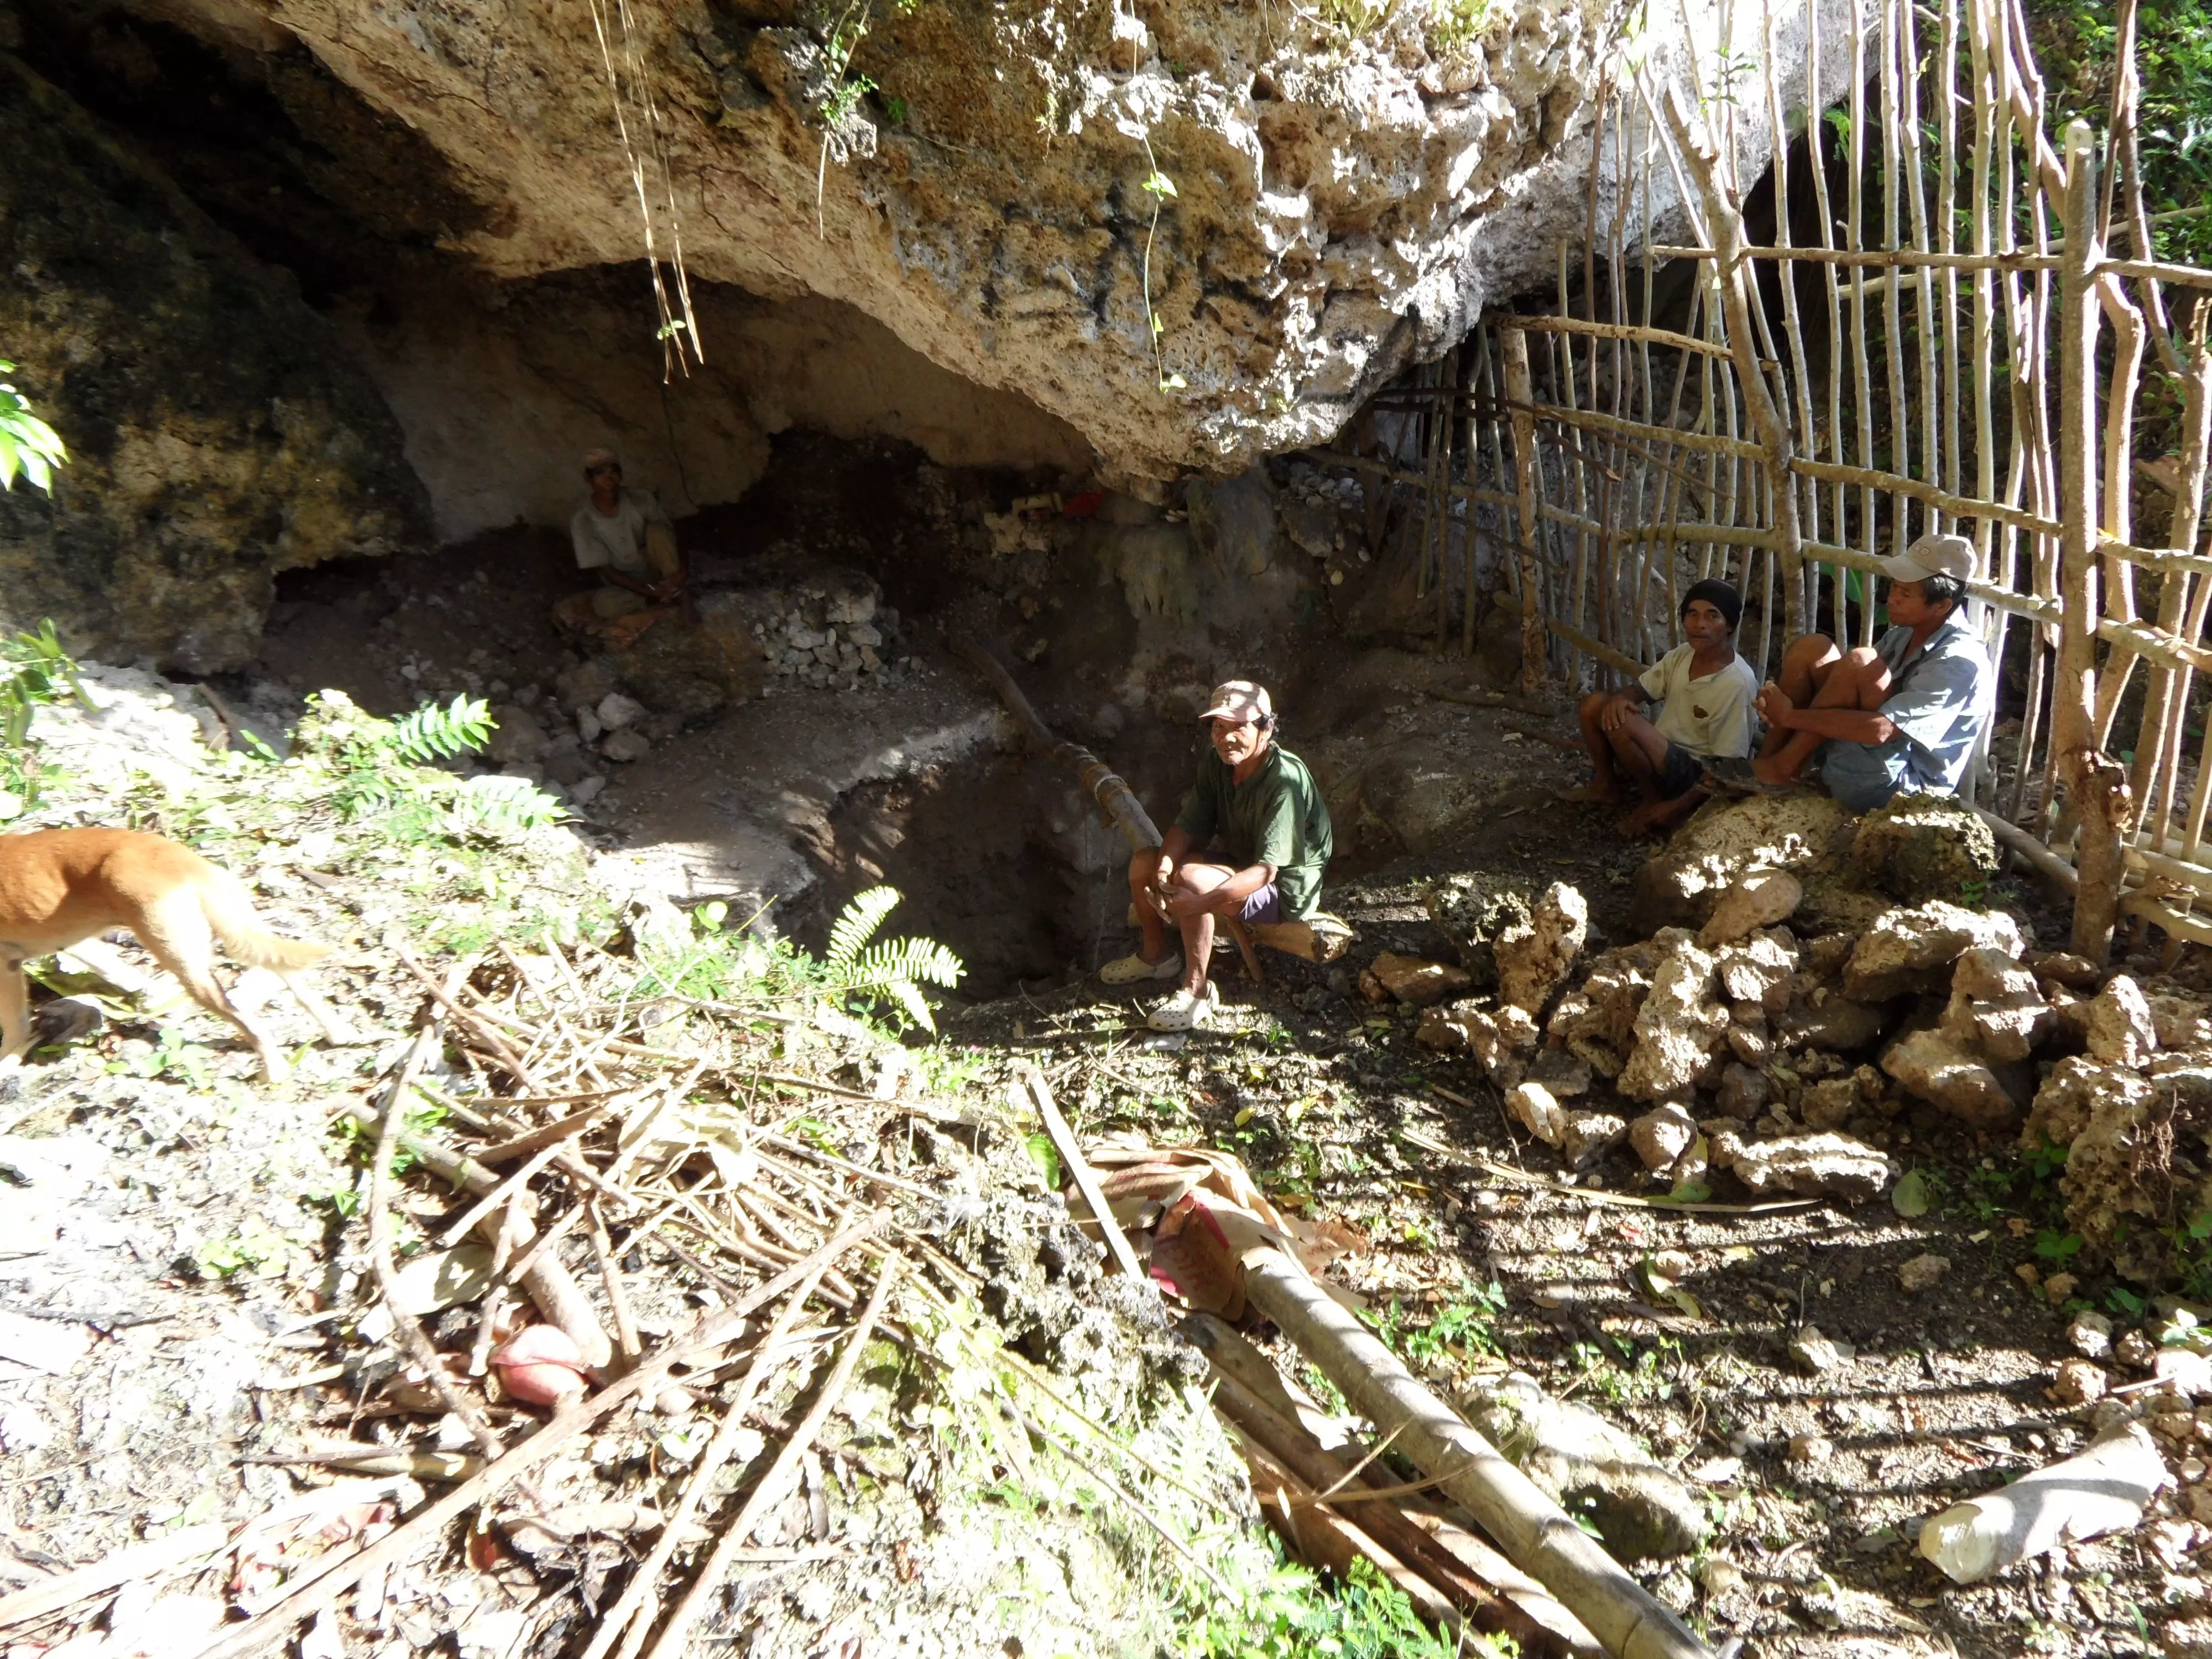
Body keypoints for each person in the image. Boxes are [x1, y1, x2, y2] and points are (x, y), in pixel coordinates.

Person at [1099, 681, 1334, 1032]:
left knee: (1192, 880)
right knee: (1145, 861)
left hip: (1284, 888)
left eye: (1239, 727)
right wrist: (1163, 869)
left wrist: (1197, 904)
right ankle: (1156, 957)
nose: (1226, 738)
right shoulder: (1219, 763)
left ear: (1266, 729)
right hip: (1239, 858)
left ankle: (1196, 991)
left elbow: (1266, 872)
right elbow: (1187, 825)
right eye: (1219, 727)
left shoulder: (1284, 781)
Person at [1731, 530, 1993, 811]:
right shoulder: (1905, 633)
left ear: (1941, 605)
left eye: (1905, 593)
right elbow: (1847, 689)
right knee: (1813, 648)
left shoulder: (1958, 660)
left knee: (1861, 661)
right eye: (1894, 587)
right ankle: (1768, 764)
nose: (1892, 599)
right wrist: (1777, 702)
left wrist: (1790, 715)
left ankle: (1783, 768)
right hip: (1869, 757)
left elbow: (1882, 731)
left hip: (1901, 784)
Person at [1564, 578, 1759, 836]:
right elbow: (1639, 690)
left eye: (1713, 616)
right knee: (1594, 705)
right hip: (1664, 755)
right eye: (1692, 614)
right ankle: (1606, 786)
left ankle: (1654, 803)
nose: (1700, 624)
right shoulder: (1683, 655)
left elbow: (1726, 767)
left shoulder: (1737, 683)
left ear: (1730, 626)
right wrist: (1621, 699)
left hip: (1697, 773)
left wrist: (1677, 807)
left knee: (1624, 721)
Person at [553, 448, 685, 637]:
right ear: (588, 479)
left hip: (658, 568)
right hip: (627, 583)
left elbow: (673, 537)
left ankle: (675, 589)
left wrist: (682, 573)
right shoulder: (583, 520)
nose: (609, 479)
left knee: (658, 530)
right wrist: (646, 591)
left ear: (621, 475)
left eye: (614, 472)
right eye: (600, 474)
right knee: (603, 605)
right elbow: (608, 571)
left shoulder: (641, 499)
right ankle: (658, 598)